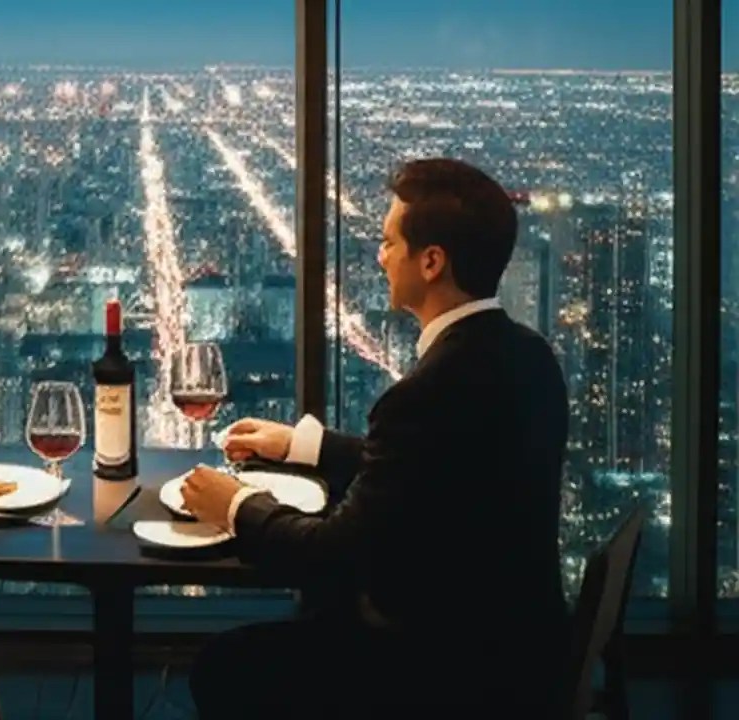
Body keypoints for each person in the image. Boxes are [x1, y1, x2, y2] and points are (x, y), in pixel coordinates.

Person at [182, 158, 571, 718]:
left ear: (432, 262)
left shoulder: (432, 389)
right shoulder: (528, 355)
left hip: (451, 673)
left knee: (224, 667)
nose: (380, 256)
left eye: (389, 242)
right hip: (518, 649)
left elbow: (331, 553)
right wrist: (302, 446)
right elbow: (431, 470)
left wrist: (236, 504)